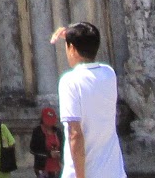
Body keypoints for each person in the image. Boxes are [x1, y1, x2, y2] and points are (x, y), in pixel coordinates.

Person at [53, 23, 126, 178]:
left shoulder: (70, 81)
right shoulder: (109, 74)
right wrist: (72, 36)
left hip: (85, 173)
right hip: (113, 172)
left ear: (71, 48)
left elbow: (75, 134)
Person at [31, 106, 64, 178]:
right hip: (42, 167)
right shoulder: (37, 131)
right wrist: (49, 154)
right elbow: (33, 149)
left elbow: (62, 147)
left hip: (57, 168)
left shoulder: (58, 131)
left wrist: (59, 154)